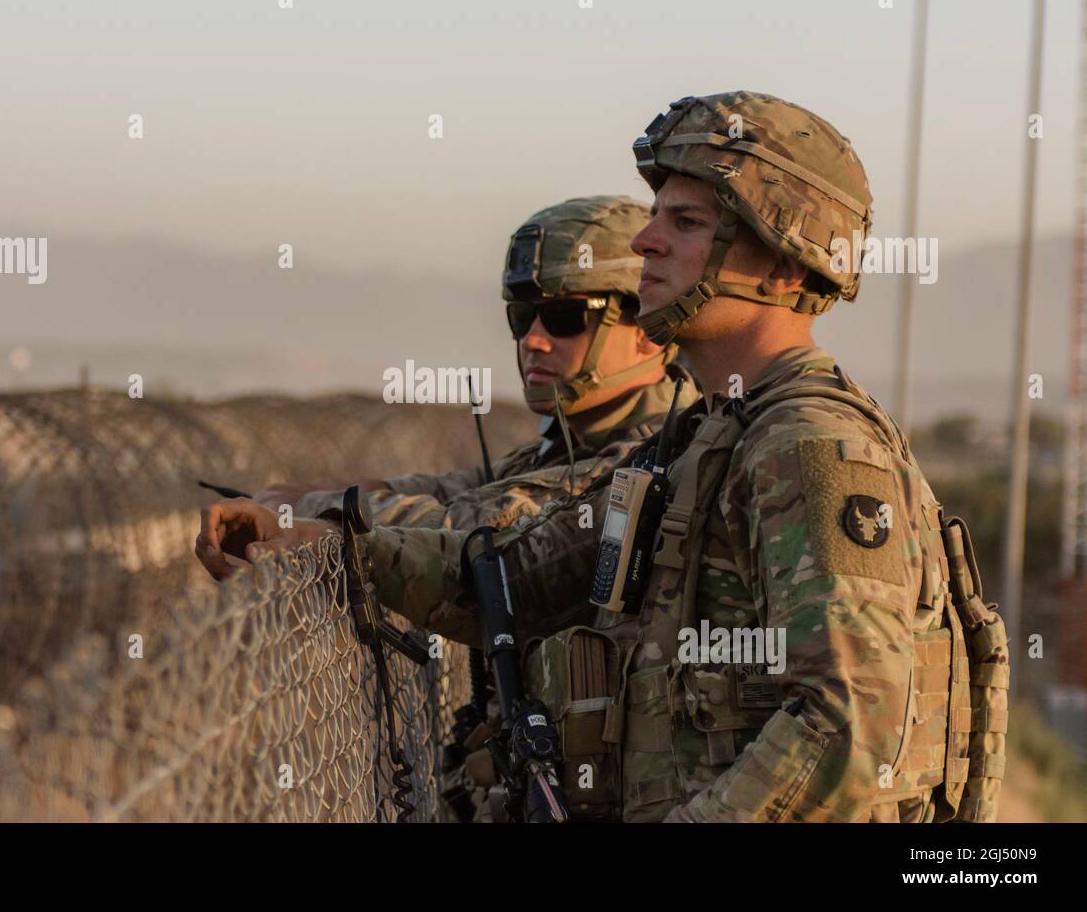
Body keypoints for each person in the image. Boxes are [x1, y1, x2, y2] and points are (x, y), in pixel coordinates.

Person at [197, 92, 1001, 823]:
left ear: (784, 262)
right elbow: (514, 577)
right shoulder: (707, 440)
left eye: (687, 224)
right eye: (659, 216)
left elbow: (847, 729)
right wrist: (329, 536)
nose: (647, 241)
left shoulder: (809, 447)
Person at [250, 194, 696, 534]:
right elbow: (469, 487)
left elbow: (482, 521)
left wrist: (307, 511)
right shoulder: (568, 443)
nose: (533, 340)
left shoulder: (657, 454)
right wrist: (315, 495)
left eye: (564, 318)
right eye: (522, 317)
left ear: (647, 330)